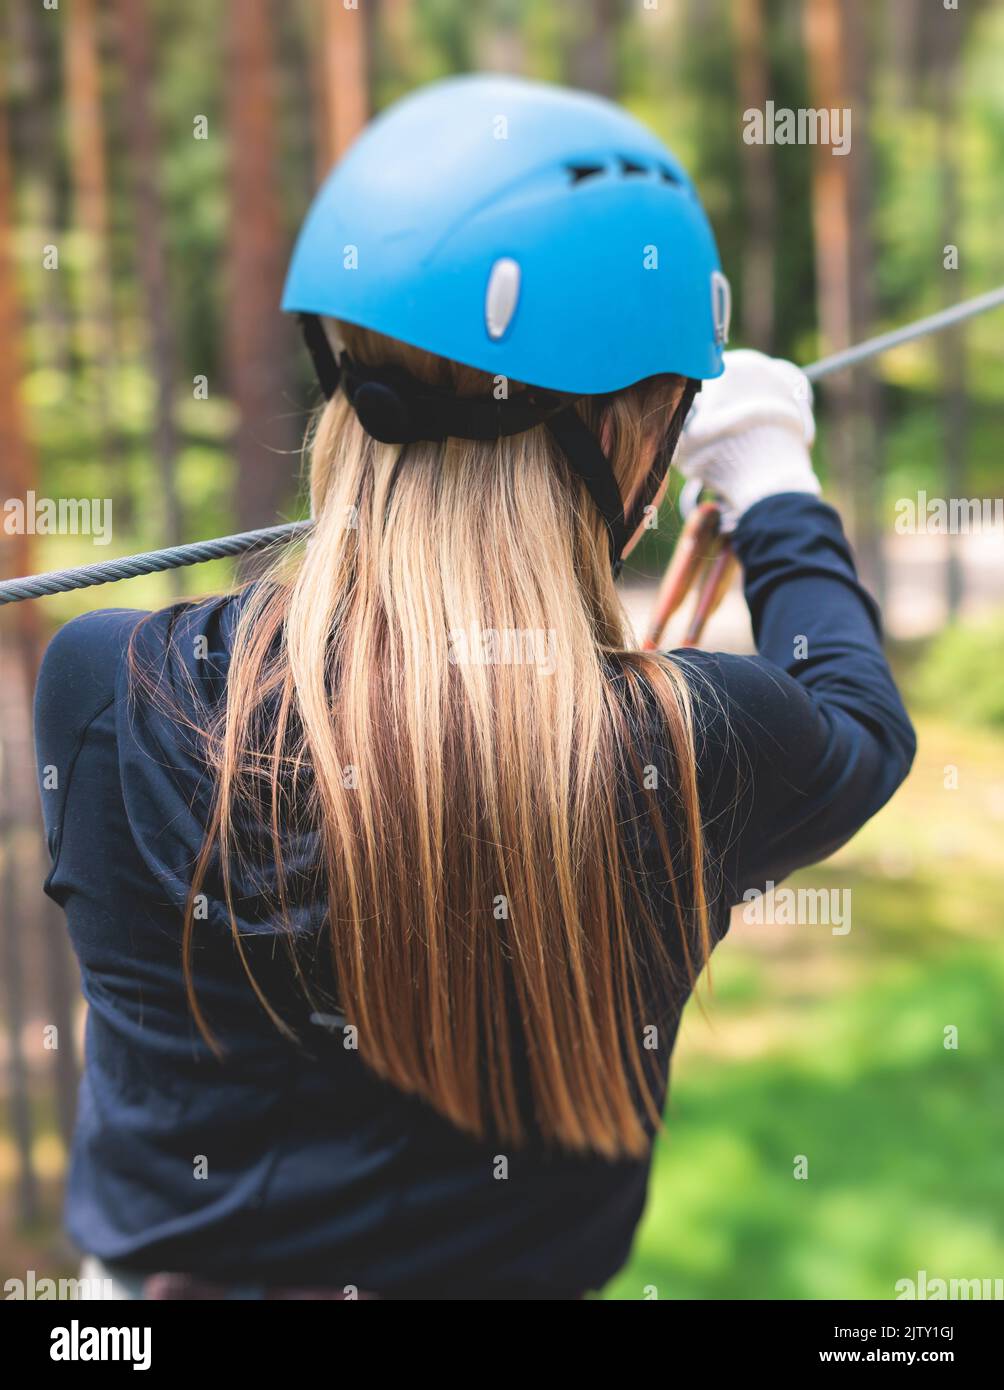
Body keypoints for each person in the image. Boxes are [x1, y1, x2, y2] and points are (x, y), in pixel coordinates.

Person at [34, 75, 915, 1301]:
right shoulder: (688, 750)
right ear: (629, 441)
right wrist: (771, 480)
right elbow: (860, 722)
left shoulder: (106, 689)